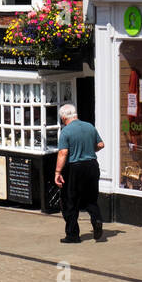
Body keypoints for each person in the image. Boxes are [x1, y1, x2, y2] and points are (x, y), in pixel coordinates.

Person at [54, 104, 105, 243]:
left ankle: (72, 235)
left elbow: (63, 153)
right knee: (91, 199)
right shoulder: (89, 126)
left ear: (64, 117)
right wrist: (88, 149)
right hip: (92, 165)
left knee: (70, 201)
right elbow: (101, 145)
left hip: (75, 167)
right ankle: (97, 219)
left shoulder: (66, 131)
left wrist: (58, 172)